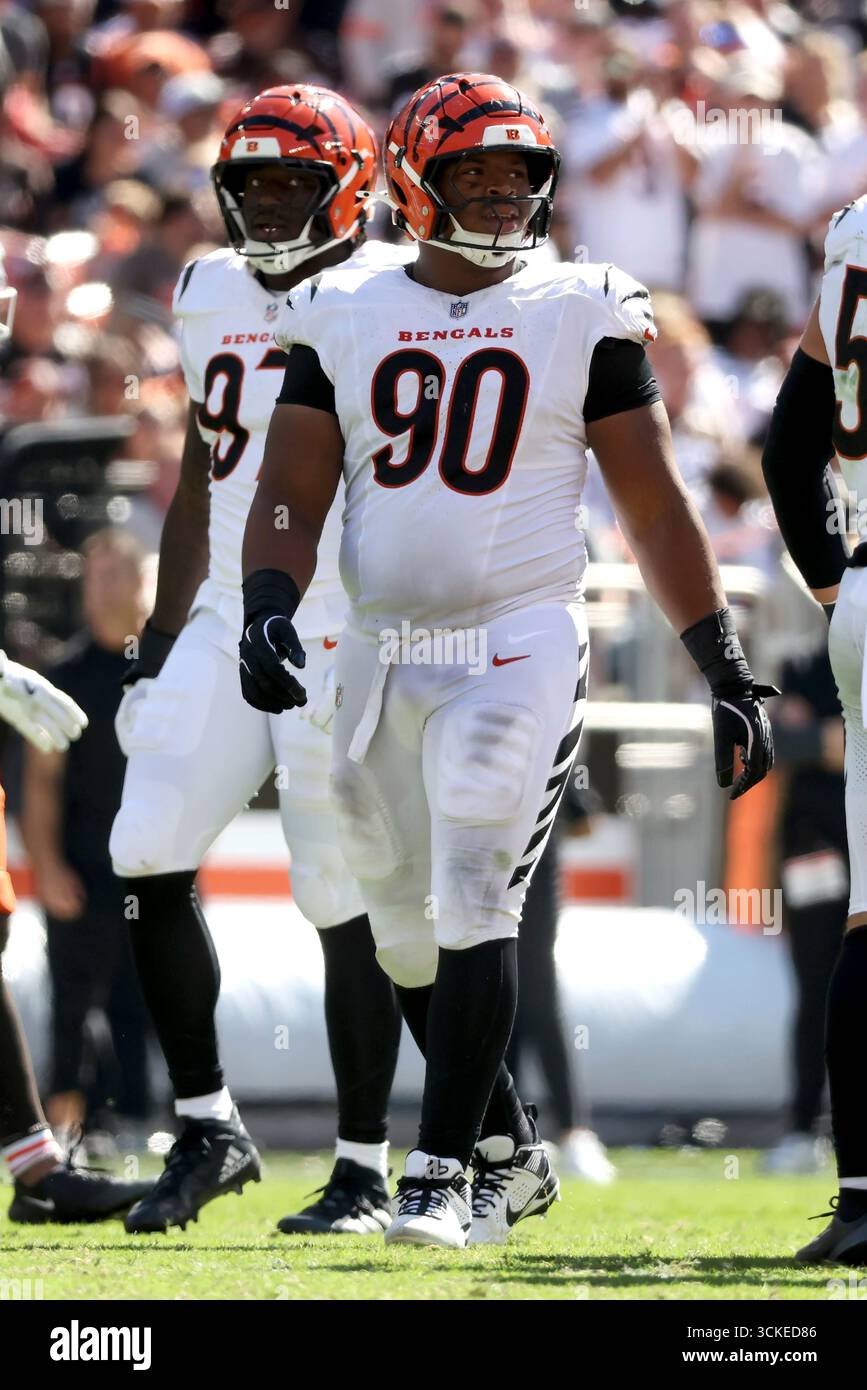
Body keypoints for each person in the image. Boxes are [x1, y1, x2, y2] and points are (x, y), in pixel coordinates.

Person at [239, 72, 777, 1249]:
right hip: (382, 644)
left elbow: (655, 506)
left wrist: (724, 667)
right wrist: (267, 601)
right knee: (396, 924)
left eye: (518, 174)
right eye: (475, 172)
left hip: (520, 636)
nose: (499, 193)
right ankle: (509, 1147)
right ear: (416, 183)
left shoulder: (581, 304)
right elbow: (290, 483)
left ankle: (435, 1176)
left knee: (479, 880)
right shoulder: (342, 303)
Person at [110, 84, 404, 1238]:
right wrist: (160, 638)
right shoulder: (204, 288)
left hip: (343, 616)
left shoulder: (391, 295)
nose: (272, 206)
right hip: (233, 607)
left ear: (348, 188)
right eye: (253, 185)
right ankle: (206, 1124)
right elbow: (199, 474)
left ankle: (365, 1165)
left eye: (293, 183)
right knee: (145, 848)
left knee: (340, 896)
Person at [761, 192, 867, 1264]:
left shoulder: (853, 232)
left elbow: (790, 455)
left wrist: (844, 591)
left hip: (866, 602)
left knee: (866, 929)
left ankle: (860, 1196)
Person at [22, 529, 156, 1150]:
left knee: (155, 999)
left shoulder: (164, 665)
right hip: (82, 867)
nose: (98, 592)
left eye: (111, 576)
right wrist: (47, 866)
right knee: (73, 1009)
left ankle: (155, 1124)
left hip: (155, 868)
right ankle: (67, 1134)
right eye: (91, 578)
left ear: (140, 582)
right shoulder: (65, 674)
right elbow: (41, 782)